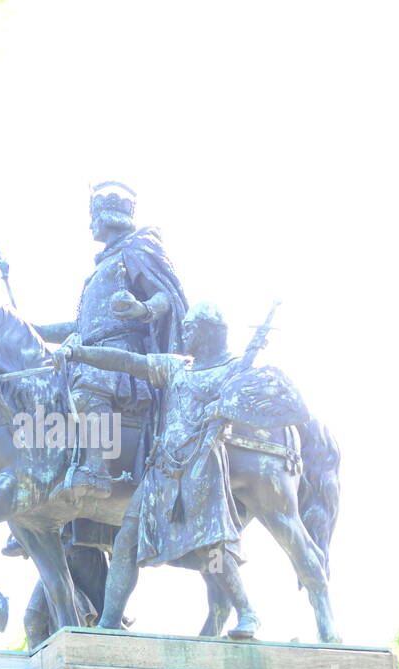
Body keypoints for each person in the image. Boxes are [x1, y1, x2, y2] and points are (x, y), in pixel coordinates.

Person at [53, 301, 259, 638]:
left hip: (201, 465)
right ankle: (108, 623)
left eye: (191, 328)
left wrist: (226, 411)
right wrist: (80, 354)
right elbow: (128, 362)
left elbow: (250, 408)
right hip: (161, 468)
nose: (183, 333)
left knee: (213, 549)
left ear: (208, 331)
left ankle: (247, 613)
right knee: (126, 542)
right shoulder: (178, 367)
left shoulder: (234, 371)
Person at [35, 181, 189, 503]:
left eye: (93, 216)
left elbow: (165, 295)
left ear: (107, 216)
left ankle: (96, 470)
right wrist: (32, 329)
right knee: (42, 394)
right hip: (90, 349)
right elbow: (79, 326)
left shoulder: (136, 249)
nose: (90, 223)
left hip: (123, 354)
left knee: (89, 382)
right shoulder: (102, 266)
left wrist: (142, 309)